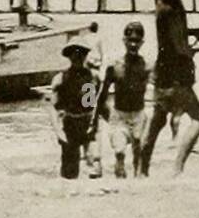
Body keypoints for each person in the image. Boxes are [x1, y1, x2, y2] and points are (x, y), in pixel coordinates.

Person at [140, 0, 199, 177]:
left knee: (157, 122)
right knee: (198, 119)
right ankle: (177, 168)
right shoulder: (171, 7)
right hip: (177, 77)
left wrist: (192, 32)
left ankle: (142, 171)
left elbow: (172, 35)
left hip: (162, 75)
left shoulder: (166, 0)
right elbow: (179, 48)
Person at [92, 21, 149, 178]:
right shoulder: (115, 66)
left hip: (139, 114)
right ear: (124, 41)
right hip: (119, 115)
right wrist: (96, 117)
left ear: (141, 43)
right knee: (119, 152)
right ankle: (120, 177)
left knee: (138, 149)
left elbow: (157, 89)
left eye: (136, 41)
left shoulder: (146, 66)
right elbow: (102, 94)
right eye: (130, 40)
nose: (133, 44)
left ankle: (138, 182)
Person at [50, 36, 102, 179]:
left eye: (81, 53)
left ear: (85, 55)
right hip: (69, 125)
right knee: (69, 172)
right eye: (74, 53)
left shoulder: (91, 76)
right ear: (69, 55)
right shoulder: (60, 78)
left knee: (94, 164)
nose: (77, 56)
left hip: (87, 124)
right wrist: (58, 130)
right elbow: (54, 108)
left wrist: (98, 124)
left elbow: (91, 105)